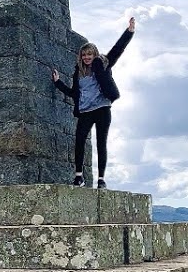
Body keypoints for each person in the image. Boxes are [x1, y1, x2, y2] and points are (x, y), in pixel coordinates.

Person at [51, 17, 136, 188]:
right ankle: (79, 176)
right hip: (85, 111)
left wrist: (129, 32)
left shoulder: (102, 64)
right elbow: (73, 93)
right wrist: (58, 82)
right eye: (84, 55)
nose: (87, 57)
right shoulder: (78, 73)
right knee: (79, 140)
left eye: (89, 54)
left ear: (94, 54)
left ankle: (101, 179)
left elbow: (117, 50)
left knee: (101, 142)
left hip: (102, 108)